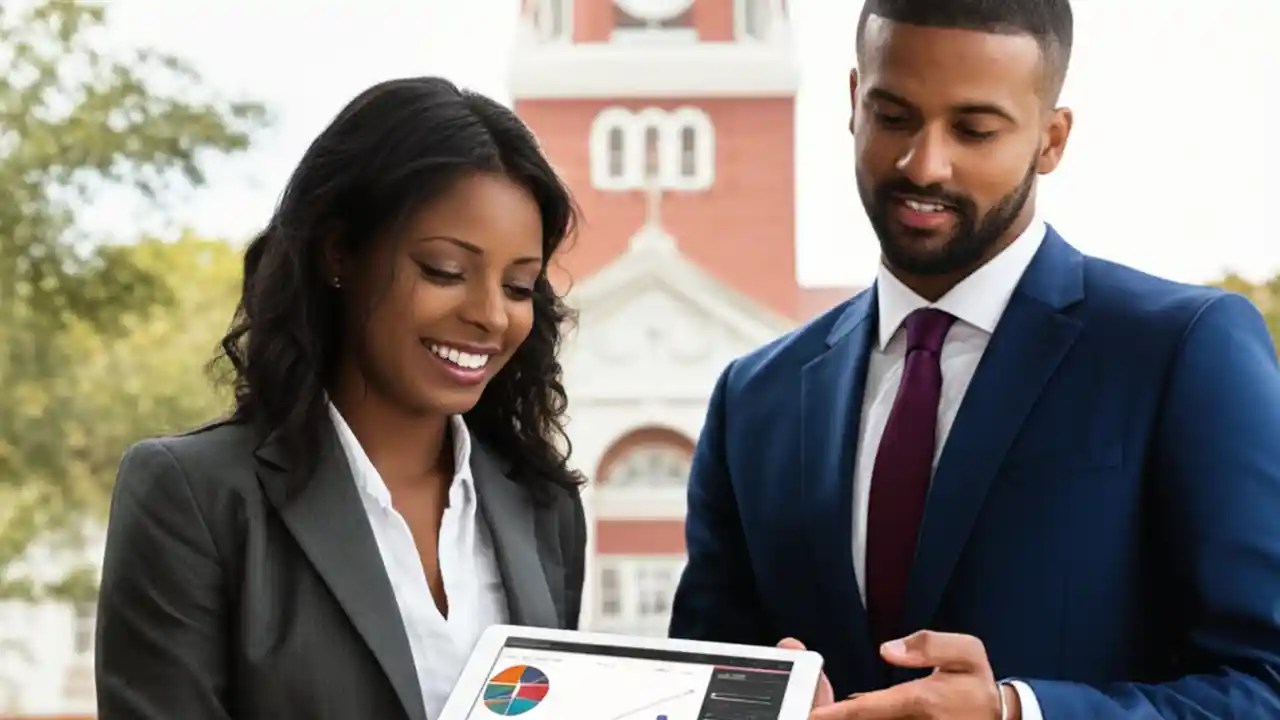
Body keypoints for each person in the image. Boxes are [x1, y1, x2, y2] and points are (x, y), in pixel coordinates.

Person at [668, 0, 1280, 717]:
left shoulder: (1182, 350)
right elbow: (701, 683)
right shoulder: (753, 398)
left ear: (1051, 140)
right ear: (854, 102)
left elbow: (1263, 682)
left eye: (974, 129)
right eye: (894, 117)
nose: (923, 164)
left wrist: (1016, 711)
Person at [94, 76, 587, 720]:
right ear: (340, 253)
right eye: (444, 271)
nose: (491, 316)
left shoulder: (543, 508)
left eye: (520, 286)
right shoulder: (194, 498)